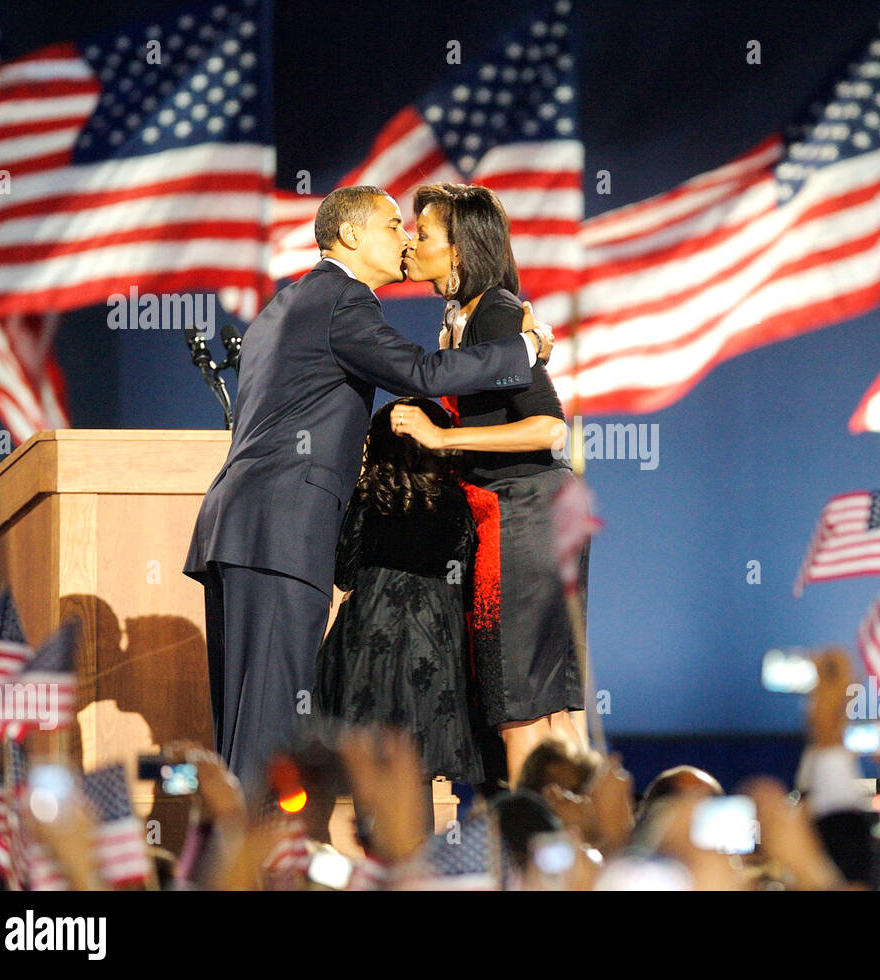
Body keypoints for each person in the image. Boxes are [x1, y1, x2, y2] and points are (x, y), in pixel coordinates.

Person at [183, 184, 553, 793]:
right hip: (279, 534)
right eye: (391, 226)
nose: (406, 238)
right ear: (350, 236)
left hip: (239, 531)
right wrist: (523, 348)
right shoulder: (343, 300)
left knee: (242, 730)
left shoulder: (286, 303)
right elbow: (420, 373)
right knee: (270, 735)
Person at [393, 182, 587, 784]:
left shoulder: (497, 314)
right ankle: (591, 846)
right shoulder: (466, 315)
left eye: (422, 234)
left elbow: (549, 427)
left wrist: (441, 438)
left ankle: (536, 857)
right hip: (533, 512)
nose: (409, 241)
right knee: (554, 702)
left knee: (521, 702)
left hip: (524, 512)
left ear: (458, 251)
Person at [314, 398, 484, 786]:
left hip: (370, 634)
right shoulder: (457, 504)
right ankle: (416, 847)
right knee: (417, 769)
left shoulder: (368, 498)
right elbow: (466, 576)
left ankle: (369, 845)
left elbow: (344, 574)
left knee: (367, 767)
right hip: (434, 639)